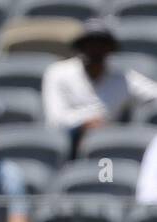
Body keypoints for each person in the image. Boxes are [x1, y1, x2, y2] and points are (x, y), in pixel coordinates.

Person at [43, 18, 157, 155]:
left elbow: (152, 93)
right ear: (80, 47)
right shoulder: (58, 73)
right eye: (89, 45)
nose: (94, 51)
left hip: (109, 144)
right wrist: (86, 122)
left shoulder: (123, 79)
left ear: (109, 49)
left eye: (100, 45)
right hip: (69, 146)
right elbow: (55, 120)